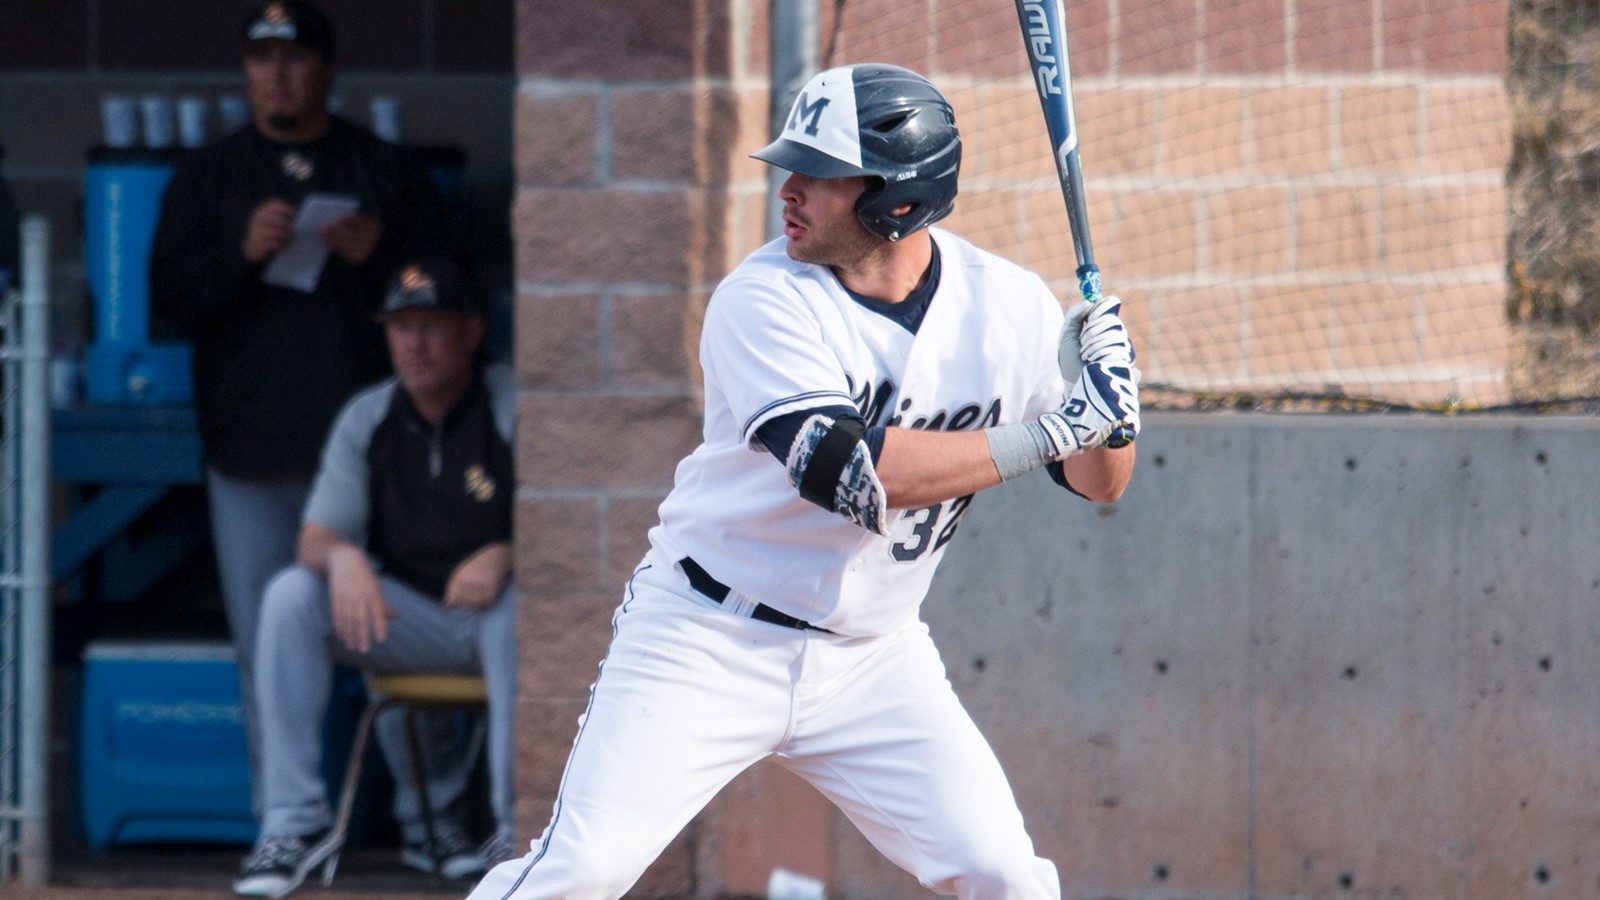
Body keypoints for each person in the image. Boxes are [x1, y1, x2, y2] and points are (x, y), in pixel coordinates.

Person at [470, 63, 1139, 900]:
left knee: (1006, 875)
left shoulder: (1010, 304)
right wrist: (1053, 430)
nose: (788, 191)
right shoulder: (761, 300)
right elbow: (846, 474)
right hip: (708, 635)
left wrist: (1110, 409)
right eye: (793, 167)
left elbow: (1101, 483)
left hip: (873, 656)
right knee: (583, 870)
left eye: (821, 176)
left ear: (899, 200)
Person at [148, 0, 459, 827]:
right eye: (263, 58)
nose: (278, 74)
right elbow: (167, 298)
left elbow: (457, 292)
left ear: (328, 68)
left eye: (294, 58)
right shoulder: (210, 175)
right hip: (250, 447)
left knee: (390, 631)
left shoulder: (379, 168)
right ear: (246, 70)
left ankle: (430, 822)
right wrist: (241, 252)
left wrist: (383, 257)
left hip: (371, 455)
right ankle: (283, 822)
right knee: (267, 645)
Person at [233, 259, 518, 898]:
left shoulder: (509, 404)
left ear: (471, 331)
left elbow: (569, 526)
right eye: (401, 327)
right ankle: (291, 824)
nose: (415, 344)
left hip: (494, 619)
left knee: (519, 611)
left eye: (431, 326)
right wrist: (342, 558)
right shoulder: (370, 415)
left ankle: (515, 830)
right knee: (291, 596)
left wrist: (507, 552)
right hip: (408, 620)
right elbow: (315, 536)